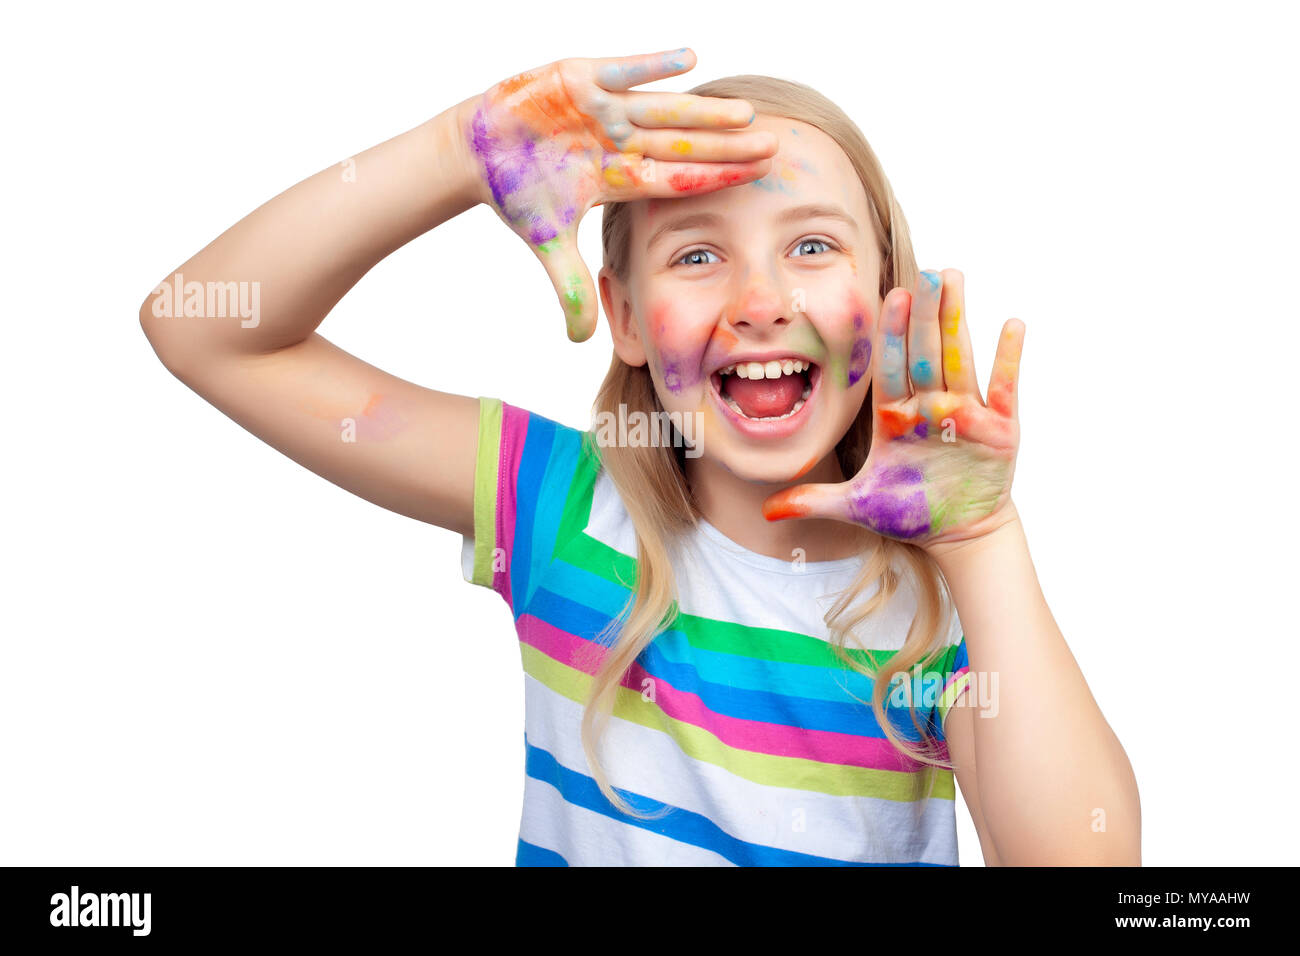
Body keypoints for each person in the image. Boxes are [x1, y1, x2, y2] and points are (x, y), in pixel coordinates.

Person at [139, 47, 1140, 866]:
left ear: (886, 300)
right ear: (622, 316)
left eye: (810, 246)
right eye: (697, 255)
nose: (759, 301)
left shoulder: (943, 613)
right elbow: (204, 330)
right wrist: (456, 152)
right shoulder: (556, 508)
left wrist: (981, 538)